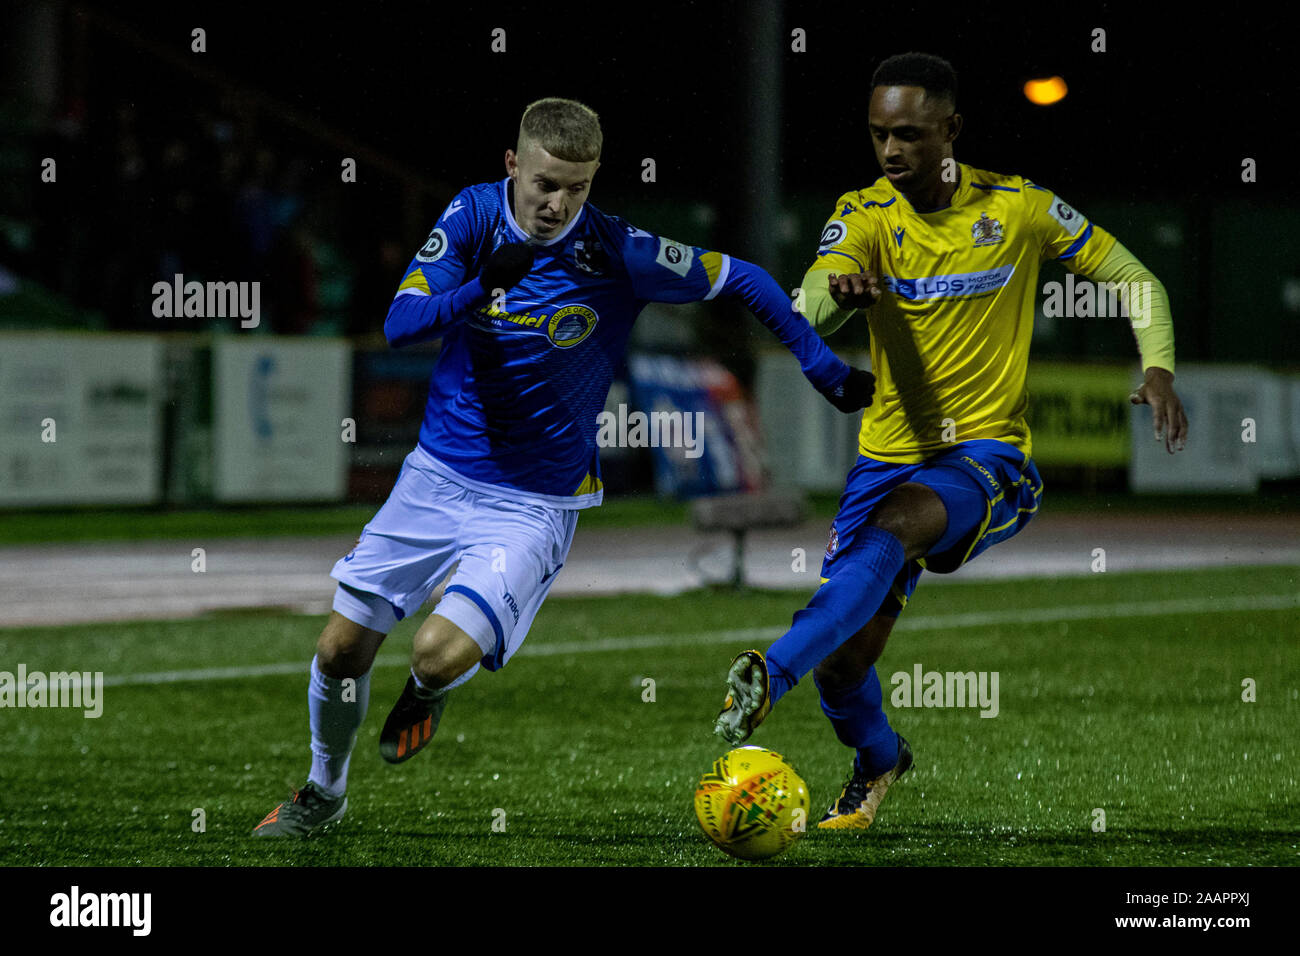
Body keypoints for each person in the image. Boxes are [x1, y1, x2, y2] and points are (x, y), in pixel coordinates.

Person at [253, 96, 874, 836]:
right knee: (340, 647)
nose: (557, 203)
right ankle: (324, 793)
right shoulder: (474, 216)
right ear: (513, 165)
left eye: (576, 188)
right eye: (545, 184)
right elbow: (399, 324)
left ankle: (427, 689)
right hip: (434, 477)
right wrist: (484, 284)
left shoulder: (615, 251)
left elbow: (742, 277)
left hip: (533, 503)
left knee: (434, 653)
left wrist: (821, 363)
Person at [713, 52, 1188, 831]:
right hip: (886, 456)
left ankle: (771, 668)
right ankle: (878, 760)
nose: (891, 152)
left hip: (987, 457)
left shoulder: (1019, 206)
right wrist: (837, 297)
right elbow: (808, 305)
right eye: (877, 136)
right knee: (847, 664)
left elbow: (1134, 276)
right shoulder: (864, 215)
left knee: (897, 528)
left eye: (907, 134)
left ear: (951, 129)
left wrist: (1159, 368)